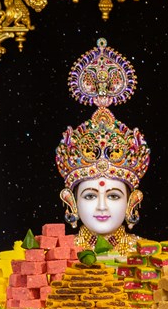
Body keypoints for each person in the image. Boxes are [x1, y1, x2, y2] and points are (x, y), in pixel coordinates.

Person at [53, 38, 151, 256]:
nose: (102, 207)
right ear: (71, 202)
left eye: (114, 196)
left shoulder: (147, 255)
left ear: (132, 201)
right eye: (89, 196)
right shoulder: (58, 256)